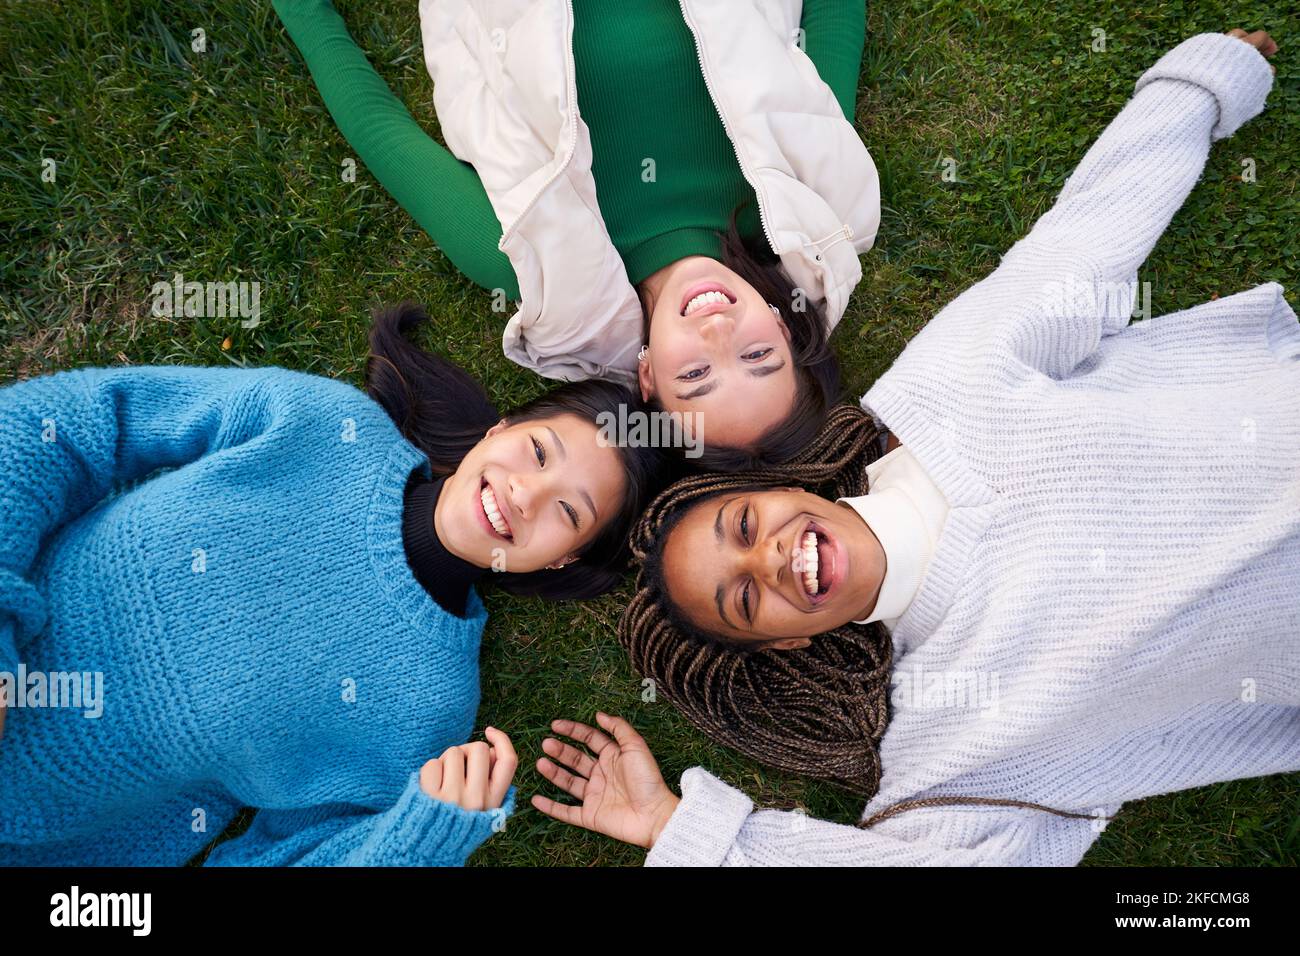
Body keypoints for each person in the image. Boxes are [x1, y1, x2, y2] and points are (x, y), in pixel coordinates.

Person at [531, 30, 1300, 865]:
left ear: (789, 490)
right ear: (789, 643)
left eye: (746, 526)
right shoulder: (951, 723)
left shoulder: (939, 391)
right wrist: (687, 834)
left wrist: (1195, 88)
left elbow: (1082, 247)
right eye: (747, 602)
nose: (772, 562)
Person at [0, 302, 662, 865]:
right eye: (540, 450)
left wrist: (421, 841)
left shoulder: (428, 707)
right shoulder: (320, 425)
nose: (527, 492)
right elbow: (66, 424)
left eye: (568, 513)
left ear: (562, 561)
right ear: (500, 429)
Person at [273, 0, 879, 466]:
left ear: (646, 378)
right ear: (783, 324)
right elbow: (830, 13)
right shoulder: (798, 187)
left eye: (695, 376)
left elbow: (383, 134)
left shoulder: (525, 257)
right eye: (757, 356)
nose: (718, 333)